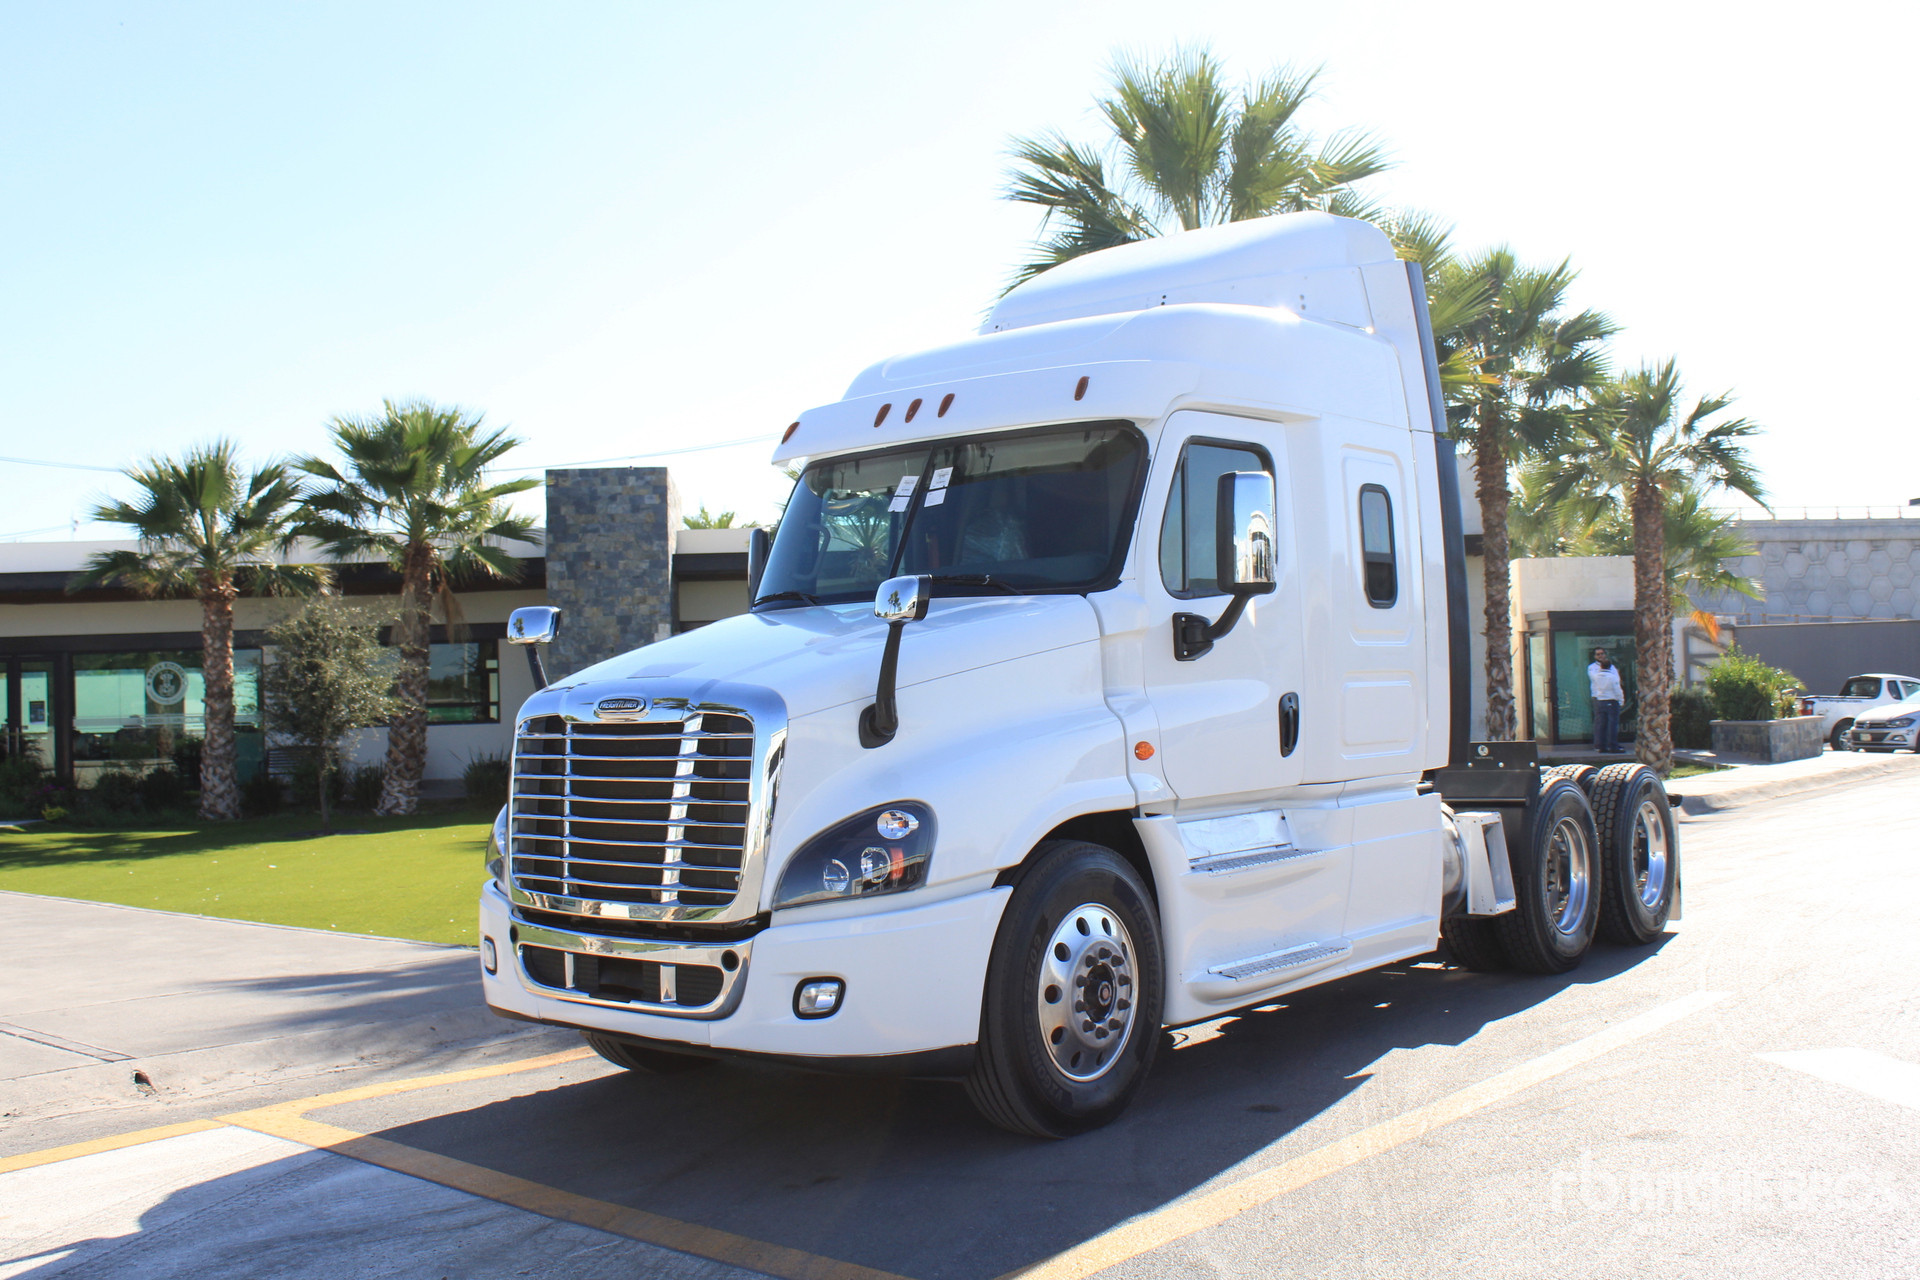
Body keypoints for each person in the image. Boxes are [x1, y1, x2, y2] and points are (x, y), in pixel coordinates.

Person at [1589, 648, 1625, 754]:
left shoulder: (1612, 667)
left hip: (1605, 697)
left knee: (1609, 723)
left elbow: (1617, 679)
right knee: (1602, 723)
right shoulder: (1592, 668)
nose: (1600, 656)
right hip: (1600, 697)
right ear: (1595, 656)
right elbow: (1613, 683)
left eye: (1602, 653)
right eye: (1598, 654)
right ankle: (1601, 745)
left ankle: (1610, 744)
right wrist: (1621, 700)